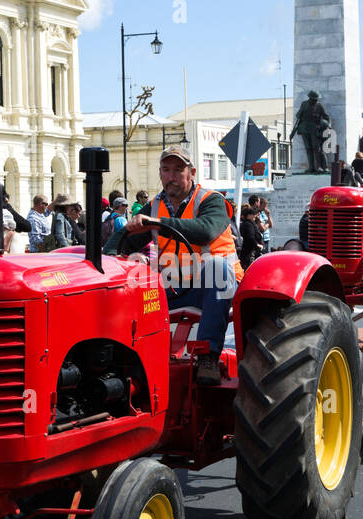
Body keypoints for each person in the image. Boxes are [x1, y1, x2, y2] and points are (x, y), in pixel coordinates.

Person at [107, 145, 243, 384]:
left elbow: (206, 231)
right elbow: (124, 240)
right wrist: (110, 255)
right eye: (166, 170)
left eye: (178, 170)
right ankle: (123, 360)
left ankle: (208, 356)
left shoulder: (212, 201)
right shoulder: (155, 206)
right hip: (174, 289)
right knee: (129, 278)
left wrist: (158, 223)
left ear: (192, 173)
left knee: (217, 267)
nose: (171, 176)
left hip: (215, 289)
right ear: (160, 174)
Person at [239, 204, 262, 270]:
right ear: (249, 215)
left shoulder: (249, 223)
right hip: (249, 252)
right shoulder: (248, 224)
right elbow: (250, 237)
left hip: (249, 252)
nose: (255, 216)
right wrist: (257, 245)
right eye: (253, 214)